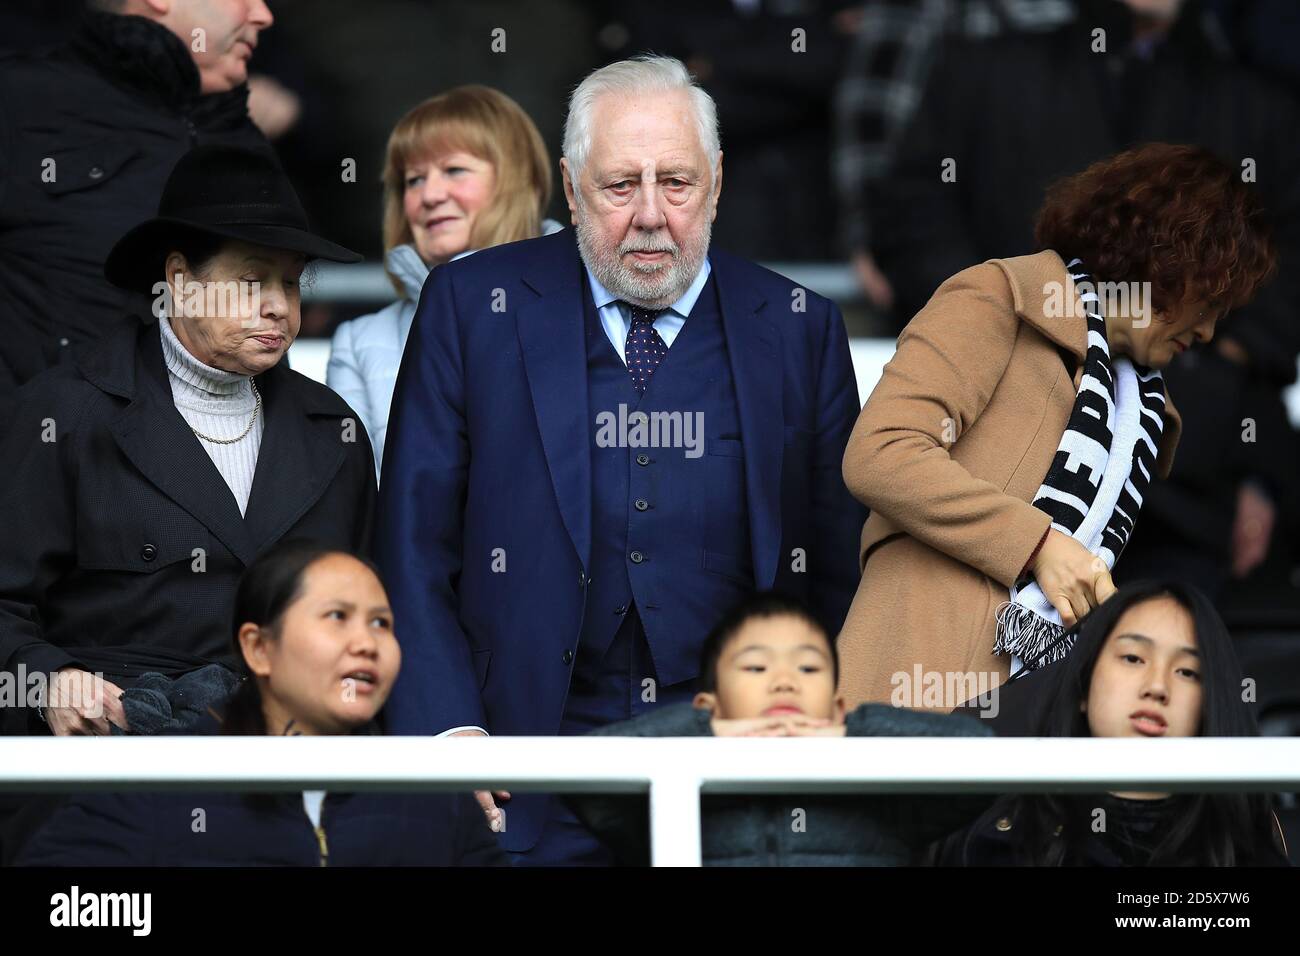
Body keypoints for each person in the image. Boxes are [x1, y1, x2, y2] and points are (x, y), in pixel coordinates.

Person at [376, 55, 866, 864]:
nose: (648, 215)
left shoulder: (796, 324)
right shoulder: (472, 307)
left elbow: (842, 561)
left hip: (741, 760)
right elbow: (413, 541)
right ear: (569, 190)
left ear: (716, 184)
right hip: (521, 755)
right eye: (618, 186)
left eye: (675, 183)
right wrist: (449, 729)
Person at [868, 0, 1300, 600]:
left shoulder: (1262, 108)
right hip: (991, 463)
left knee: (1169, 674)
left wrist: (1258, 460)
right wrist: (1010, 322)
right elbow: (911, 220)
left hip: (1190, 474)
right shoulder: (983, 73)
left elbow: (1281, 293)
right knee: (993, 683)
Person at [837, 143, 1275, 711]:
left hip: (1038, 709)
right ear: (1167, 266)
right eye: (1211, 301)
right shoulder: (998, 297)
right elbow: (881, 452)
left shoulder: (1140, 398)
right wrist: (1037, 545)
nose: (1212, 332)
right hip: (916, 685)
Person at [0, 144, 375, 738]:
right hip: (117, 759)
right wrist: (47, 679)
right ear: (180, 280)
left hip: (293, 760)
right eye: (252, 280)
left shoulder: (334, 432)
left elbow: (369, 620)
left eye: (290, 282)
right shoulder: (65, 413)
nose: (279, 306)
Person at [16, 540, 507, 866]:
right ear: (259, 647)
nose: (367, 643)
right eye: (337, 617)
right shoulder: (155, 781)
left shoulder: (433, 797)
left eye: (382, 623)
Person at [568, 592, 994, 866]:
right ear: (708, 706)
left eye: (807, 667)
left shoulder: (877, 786)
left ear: (836, 706)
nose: (785, 680)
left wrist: (850, 733)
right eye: (756, 666)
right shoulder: (670, 781)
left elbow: (984, 757)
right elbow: (581, 774)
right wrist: (708, 734)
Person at [0, 0, 275, 422]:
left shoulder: (242, 136)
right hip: (49, 464)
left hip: (225, 466)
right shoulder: (20, 99)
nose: (263, 15)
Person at [936, 580, 1290, 866]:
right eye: (1133, 658)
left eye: (1187, 671)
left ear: (1209, 703)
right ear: (1084, 689)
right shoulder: (1003, 841)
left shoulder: (1240, 850)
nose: (1157, 687)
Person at [327, 85, 562, 474]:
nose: (430, 195)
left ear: (518, 181)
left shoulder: (591, 305)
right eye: (413, 180)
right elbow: (356, 508)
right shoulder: (359, 341)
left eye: (454, 170)